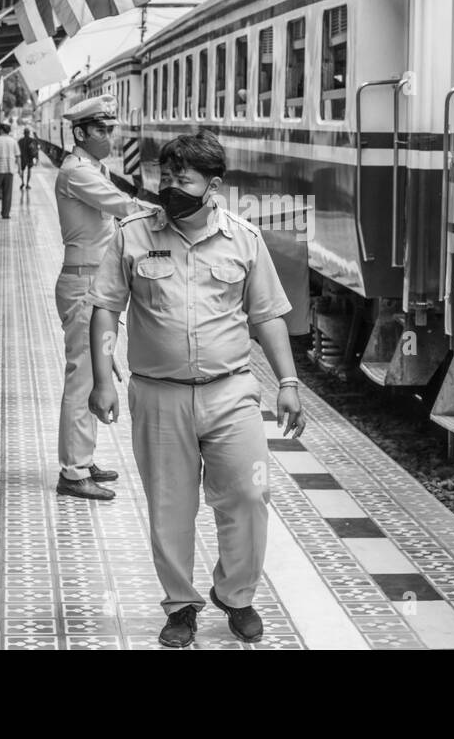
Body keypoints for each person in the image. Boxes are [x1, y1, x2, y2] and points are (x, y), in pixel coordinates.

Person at [87, 129, 305, 648]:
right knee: (170, 506)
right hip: (157, 394)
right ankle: (181, 605)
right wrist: (101, 377)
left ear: (213, 185)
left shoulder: (244, 239)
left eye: (182, 178)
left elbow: (268, 316)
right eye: (166, 175)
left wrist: (288, 382)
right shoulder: (133, 234)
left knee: (249, 496)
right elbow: (106, 308)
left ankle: (236, 595)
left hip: (231, 392)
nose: (170, 186)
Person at [52, 95, 151, 501]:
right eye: (101, 130)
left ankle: (83, 457)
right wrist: (167, 213)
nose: (110, 136)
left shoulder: (93, 168)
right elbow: (123, 206)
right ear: (80, 133)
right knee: (84, 377)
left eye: (111, 129)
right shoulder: (76, 172)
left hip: (93, 281)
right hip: (83, 283)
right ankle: (73, 472)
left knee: (97, 372)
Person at [0, 121, 18, 219]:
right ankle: (5, 214)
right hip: (9, 170)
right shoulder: (13, 141)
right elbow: (18, 156)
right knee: (7, 192)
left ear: (1, 130)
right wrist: (20, 169)